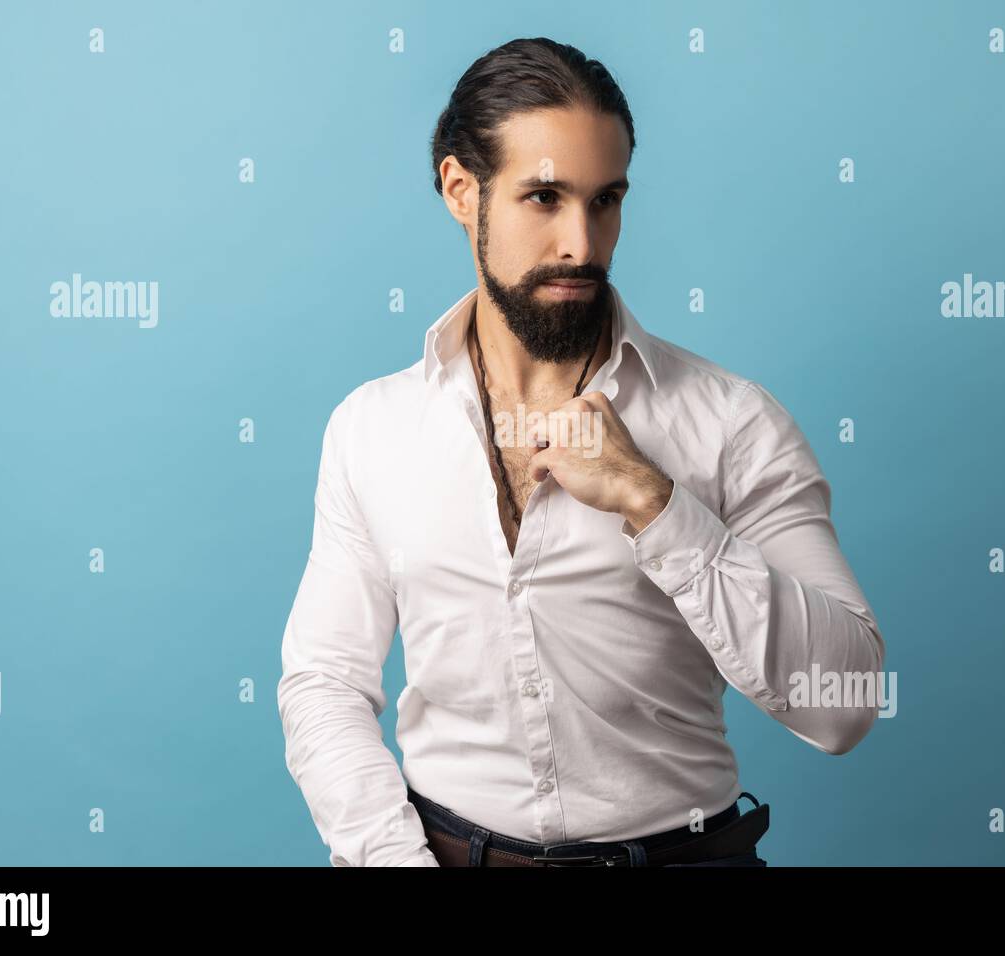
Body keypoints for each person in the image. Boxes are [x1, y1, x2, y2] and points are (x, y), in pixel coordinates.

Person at [277, 37, 885, 867]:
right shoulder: (372, 428)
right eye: (544, 198)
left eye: (606, 201)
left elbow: (847, 704)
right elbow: (325, 685)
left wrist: (656, 504)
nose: (581, 243)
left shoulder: (732, 423)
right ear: (462, 191)